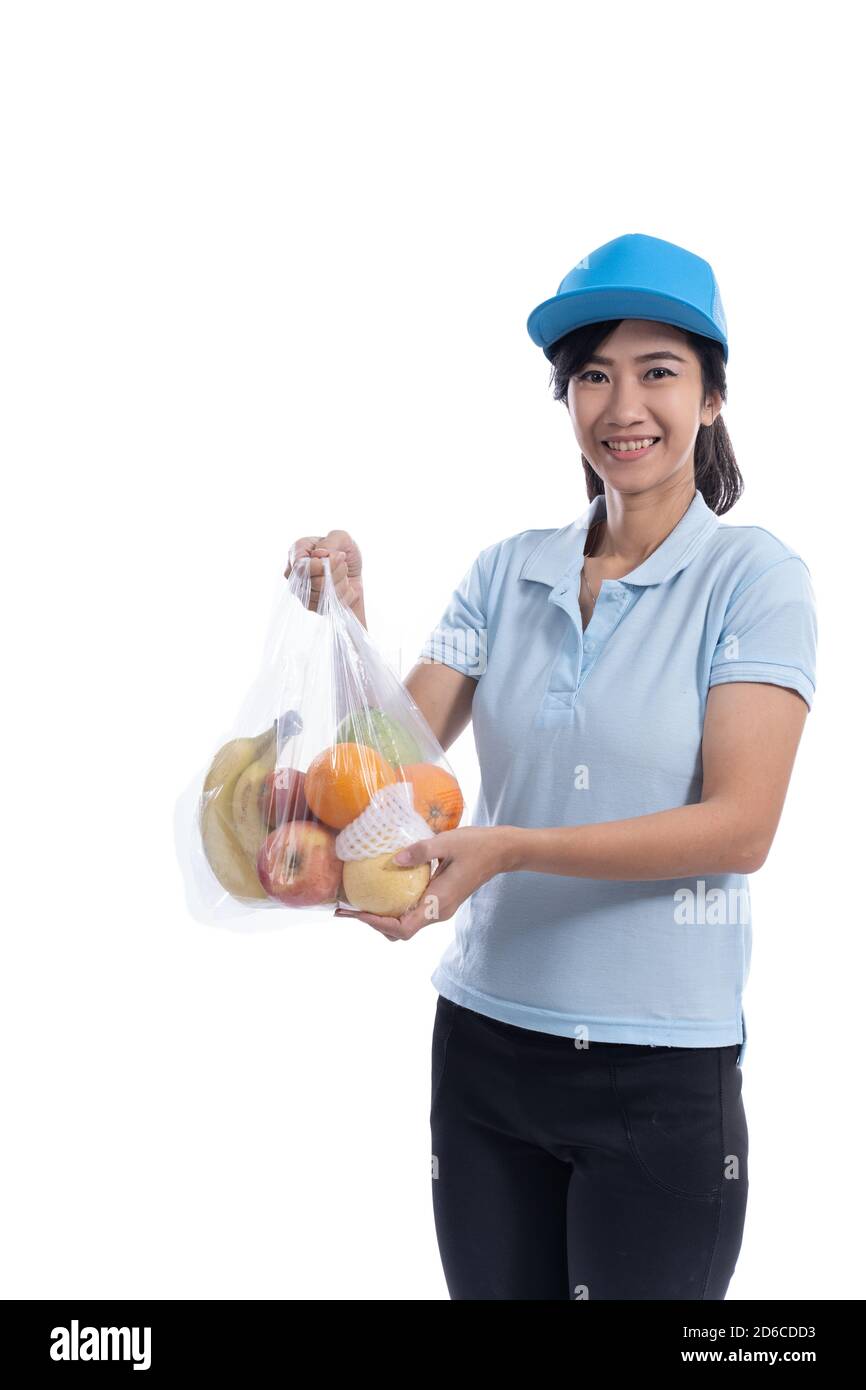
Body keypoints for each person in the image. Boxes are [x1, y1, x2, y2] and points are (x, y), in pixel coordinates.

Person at [285, 233, 818, 1300]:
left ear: (711, 396)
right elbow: (392, 762)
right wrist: (345, 620)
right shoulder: (506, 571)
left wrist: (508, 847)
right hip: (483, 1047)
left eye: (657, 370)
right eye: (591, 374)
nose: (622, 404)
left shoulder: (752, 579)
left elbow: (738, 827)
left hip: (658, 1075)